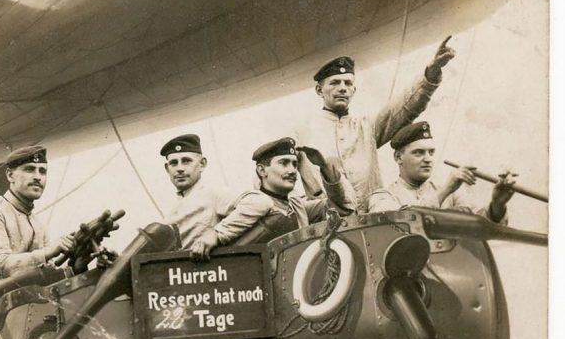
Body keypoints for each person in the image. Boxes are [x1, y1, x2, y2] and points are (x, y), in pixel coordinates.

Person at [295, 37, 456, 212]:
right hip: (326, 225)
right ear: (319, 90)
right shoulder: (303, 134)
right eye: (334, 82)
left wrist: (432, 73)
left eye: (348, 83)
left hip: (372, 222)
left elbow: (405, 108)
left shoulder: (367, 126)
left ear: (354, 90)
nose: (342, 88)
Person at [192, 137, 357, 258]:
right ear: (262, 171)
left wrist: (324, 167)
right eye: (284, 163)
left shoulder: (297, 205)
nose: (292, 170)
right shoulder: (251, 206)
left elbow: (342, 208)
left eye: (294, 164)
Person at [366, 121, 518, 222]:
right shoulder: (381, 198)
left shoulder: (453, 194)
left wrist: (498, 203)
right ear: (398, 157)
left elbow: (480, 224)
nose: (428, 159)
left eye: (431, 152)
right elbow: (404, 220)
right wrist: (445, 190)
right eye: (419, 153)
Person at [0, 145, 76, 276]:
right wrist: (49, 251)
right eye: (29, 169)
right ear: (10, 175)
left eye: (42, 171)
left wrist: (75, 267)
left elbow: (47, 272)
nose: (38, 177)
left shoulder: (38, 223)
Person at [161, 133, 238, 254]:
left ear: (202, 164)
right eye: (174, 163)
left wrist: (217, 234)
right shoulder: (173, 208)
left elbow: (260, 202)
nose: (179, 168)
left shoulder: (213, 193)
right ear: (167, 168)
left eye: (186, 161)